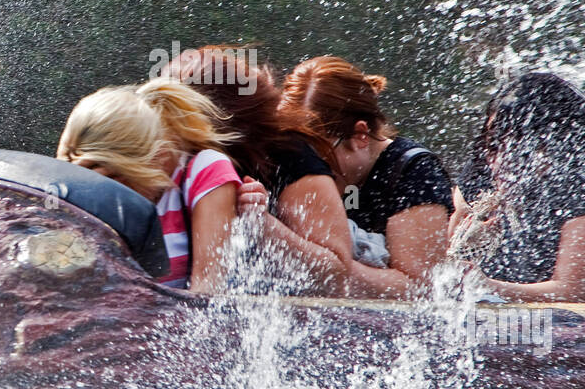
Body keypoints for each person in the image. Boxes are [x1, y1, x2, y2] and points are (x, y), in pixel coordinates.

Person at [169, 45, 418, 299]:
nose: (174, 151)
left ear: (229, 131)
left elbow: (336, 275)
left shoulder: (288, 155)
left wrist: (262, 224)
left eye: (187, 139)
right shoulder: (158, 145)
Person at [449, 72, 585, 303]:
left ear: (557, 143)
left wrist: (485, 285)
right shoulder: (483, 165)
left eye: (521, 144)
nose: (502, 160)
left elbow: (571, 293)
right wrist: (467, 242)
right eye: (495, 143)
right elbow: (449, 250)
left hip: (578, 328)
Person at [56, 78, 243, 291]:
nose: (110, 198)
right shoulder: (76, 191)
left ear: (159, 158)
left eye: (116, 180)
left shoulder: (204, 171)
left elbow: (209, 289)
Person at [280, 56, 452, 282]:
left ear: (360, 134)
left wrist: (328, 264)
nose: (311, 170)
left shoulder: (415, 171)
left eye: (320, 159)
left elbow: (418, 289)